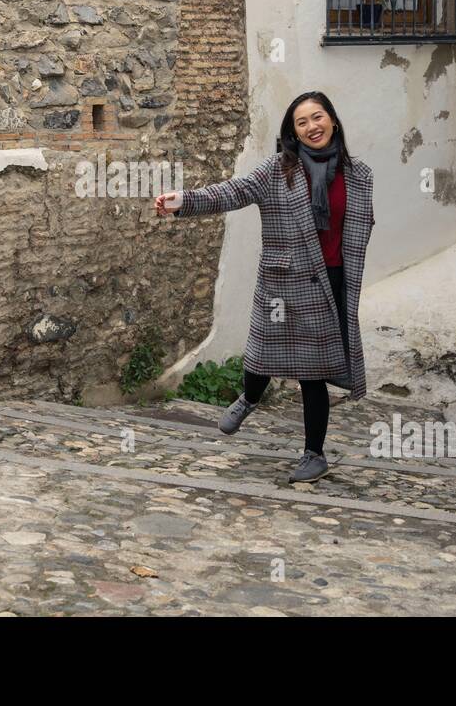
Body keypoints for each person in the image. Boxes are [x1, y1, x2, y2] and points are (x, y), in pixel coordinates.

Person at [155, 92, 375, 483]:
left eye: (317, 117)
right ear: (293, 133)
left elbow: (357, 228)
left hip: (332, 281)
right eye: (302, 122)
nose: (312, 127)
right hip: (284, 282)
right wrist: (183, 201)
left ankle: (314, 454)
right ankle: (250, 398)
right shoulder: (277, 171)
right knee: (261, 356)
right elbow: (232, 192)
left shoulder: (359, 175)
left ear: (333, 120)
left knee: (314, 372)